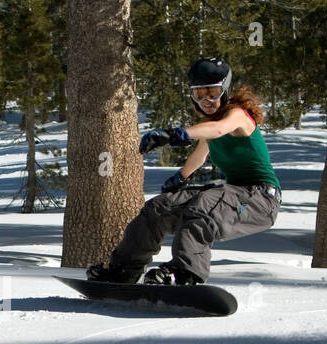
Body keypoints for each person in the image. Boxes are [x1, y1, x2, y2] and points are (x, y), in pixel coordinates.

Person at [87, 57, 280, 286]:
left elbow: (218, 129)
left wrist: (174, 134)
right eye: (199, 94)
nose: (207, 100)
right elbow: (200, 155)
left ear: (225, 90)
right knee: (158, 208)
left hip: (262, 199)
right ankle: (123, 270)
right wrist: (180, 178)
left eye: (213, 92)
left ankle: (185, 273)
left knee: (205, 205)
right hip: (234, 194)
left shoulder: (237, 115)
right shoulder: (210, 125)